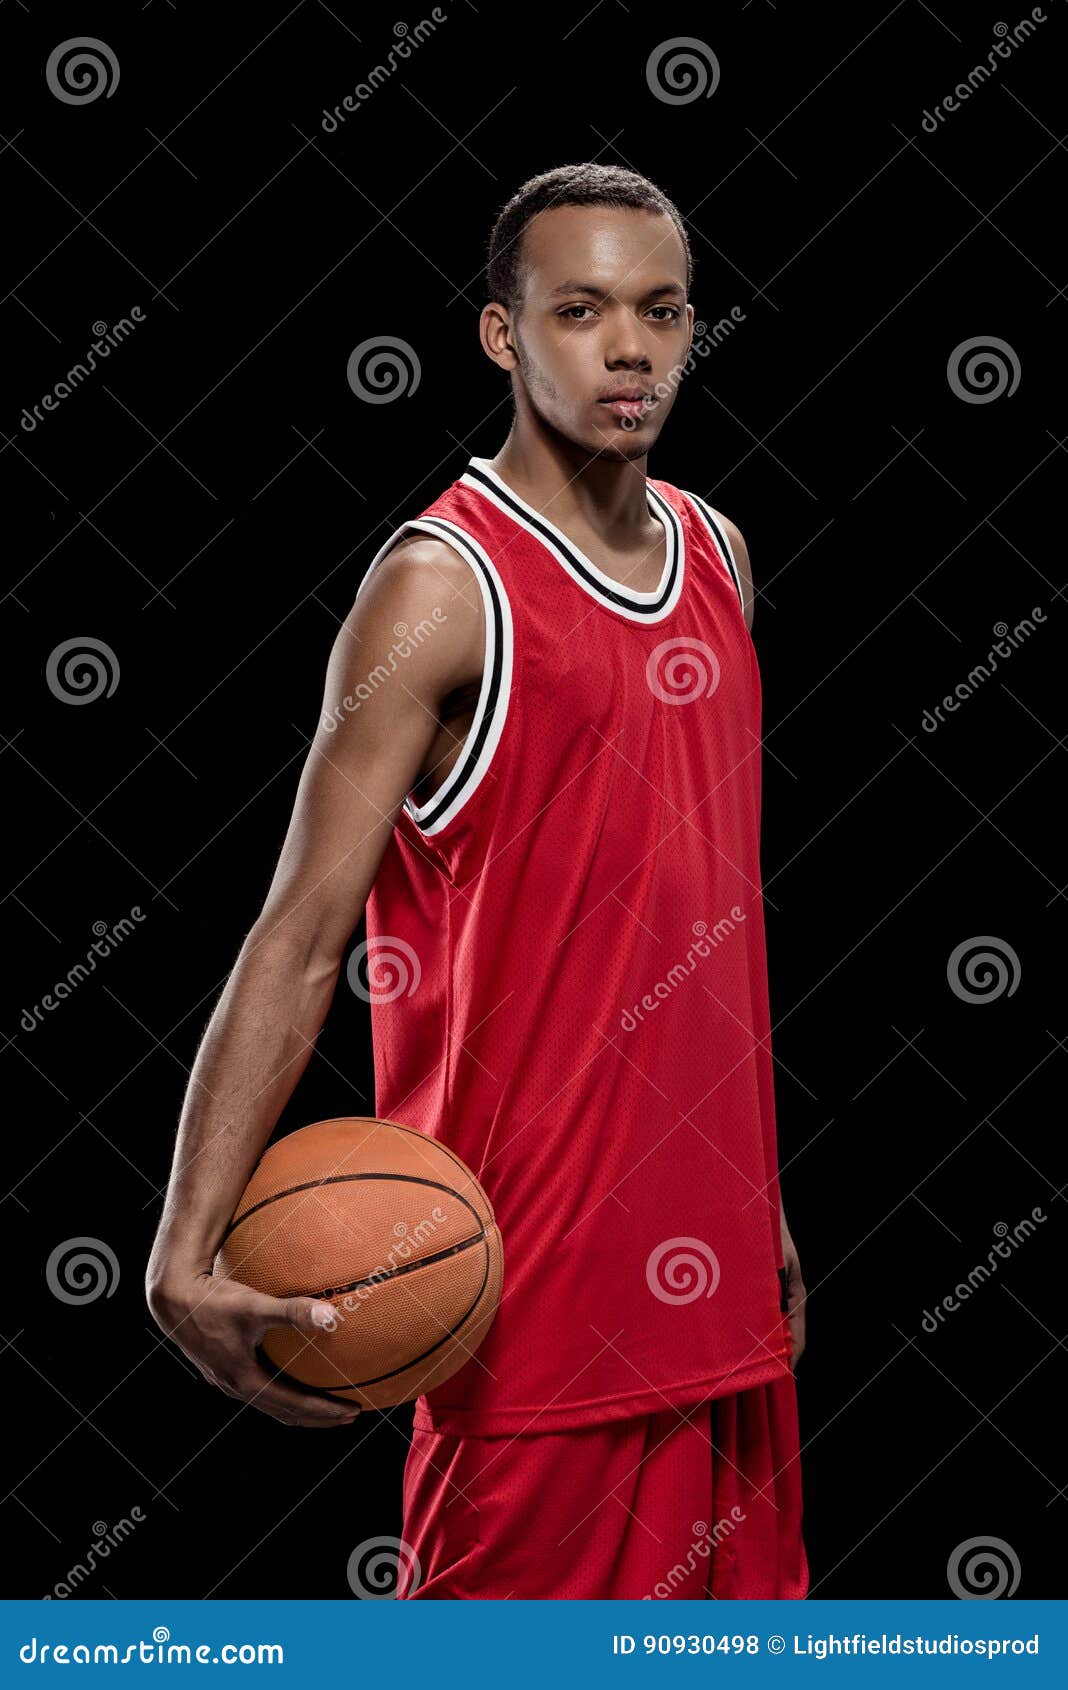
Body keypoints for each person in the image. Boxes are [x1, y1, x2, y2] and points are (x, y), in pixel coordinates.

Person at [147, 161, 808, 1600]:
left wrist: (761, 1208)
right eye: (578, 310)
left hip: (720, 1302)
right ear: (504, 336)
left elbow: (694, 921)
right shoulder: (445, 589)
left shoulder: (721, 557)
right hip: (524, 1308)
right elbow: (303, 931)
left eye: (661, 310)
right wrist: (182, 1244)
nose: (628, 346)